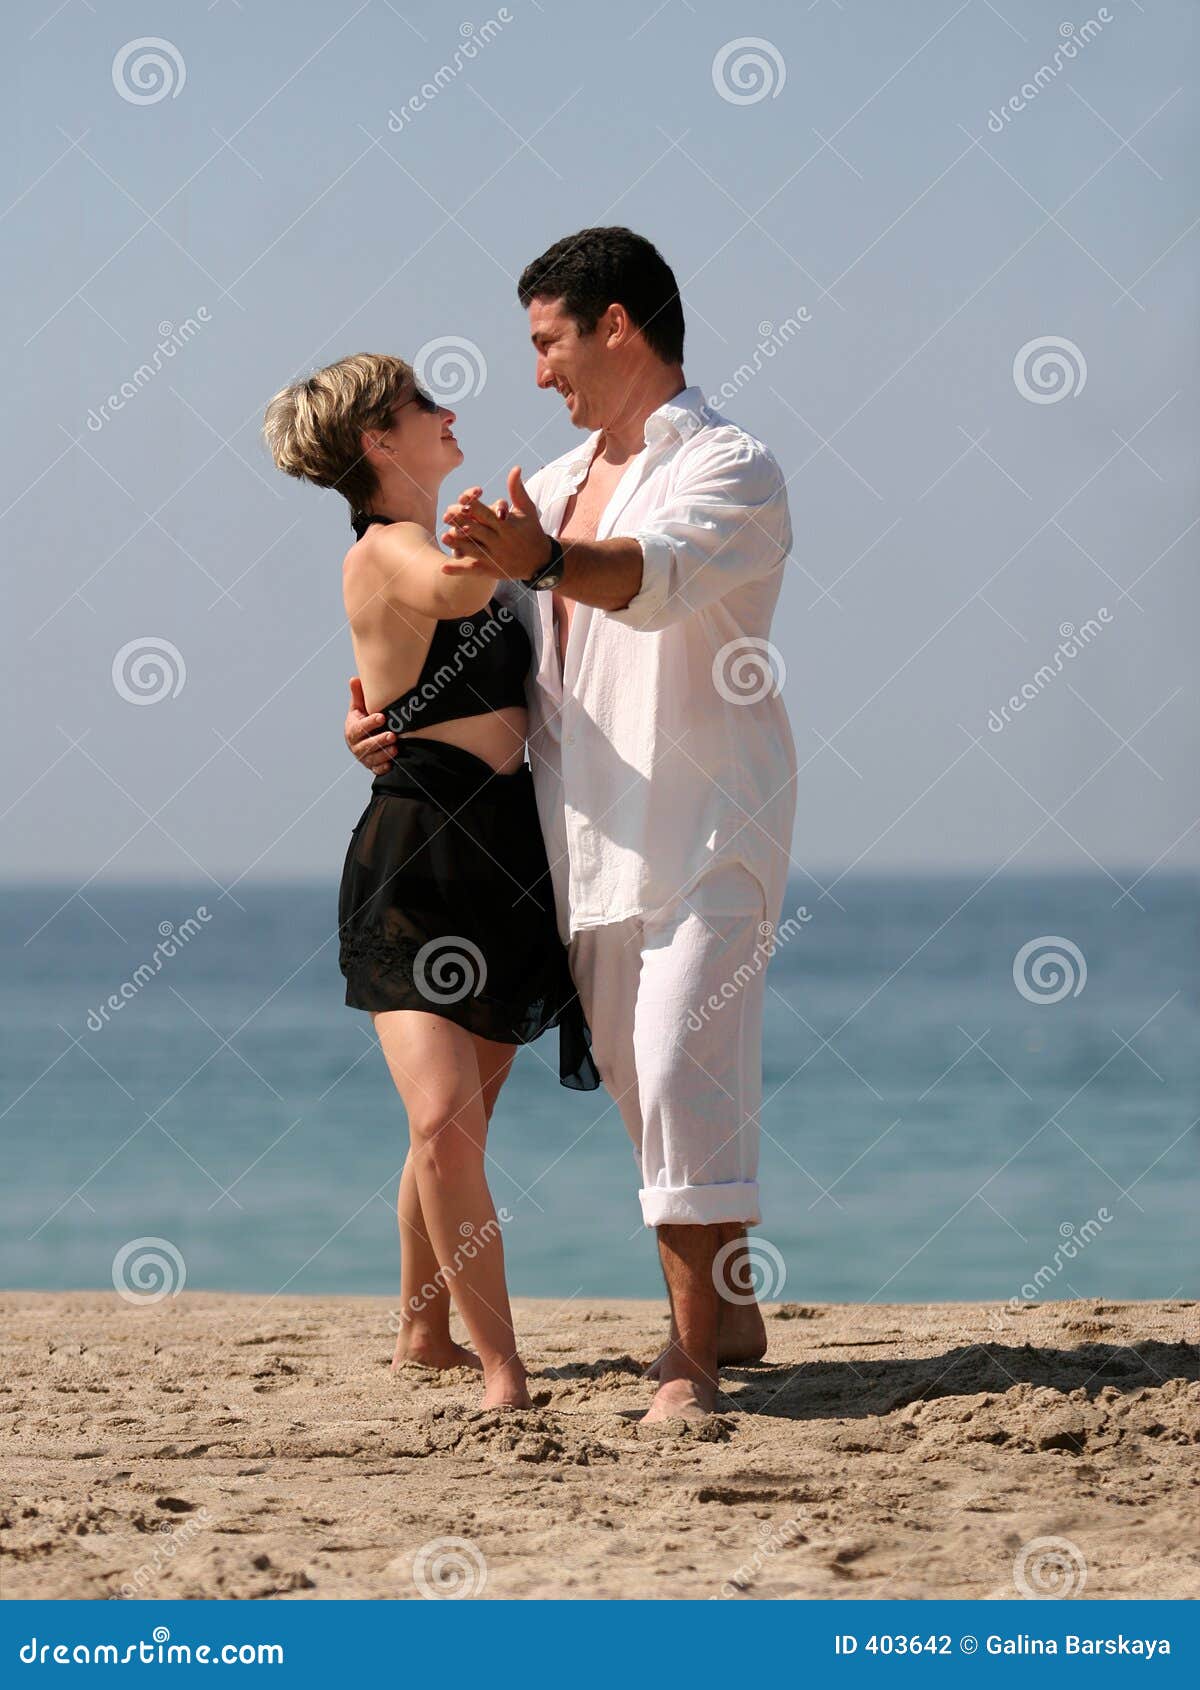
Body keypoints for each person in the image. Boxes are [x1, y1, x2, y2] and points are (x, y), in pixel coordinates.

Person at [348, 228, 797, 1424]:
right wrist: (388, 723)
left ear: (615, 326)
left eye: (548, 342)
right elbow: (467, 644)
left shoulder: (733, 465)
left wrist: (543, 558)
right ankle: (738, 1299)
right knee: (650, 1091)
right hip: (578, 842)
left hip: (709, 826)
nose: (536, 373)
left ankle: (690, 1362)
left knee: (680, 1069)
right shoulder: (542, 488)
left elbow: (646, 577)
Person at [264, 353, 598, 1412]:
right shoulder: (384, 550)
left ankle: (422, 1330)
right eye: (423, 407)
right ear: (377, 440)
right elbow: (450, 586)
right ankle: (504, 1367)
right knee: (444, 1117)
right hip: (417, 857)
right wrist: (500, 539)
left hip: (511, 855)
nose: (447, 412)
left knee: (460, 1124)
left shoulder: (449, 541)